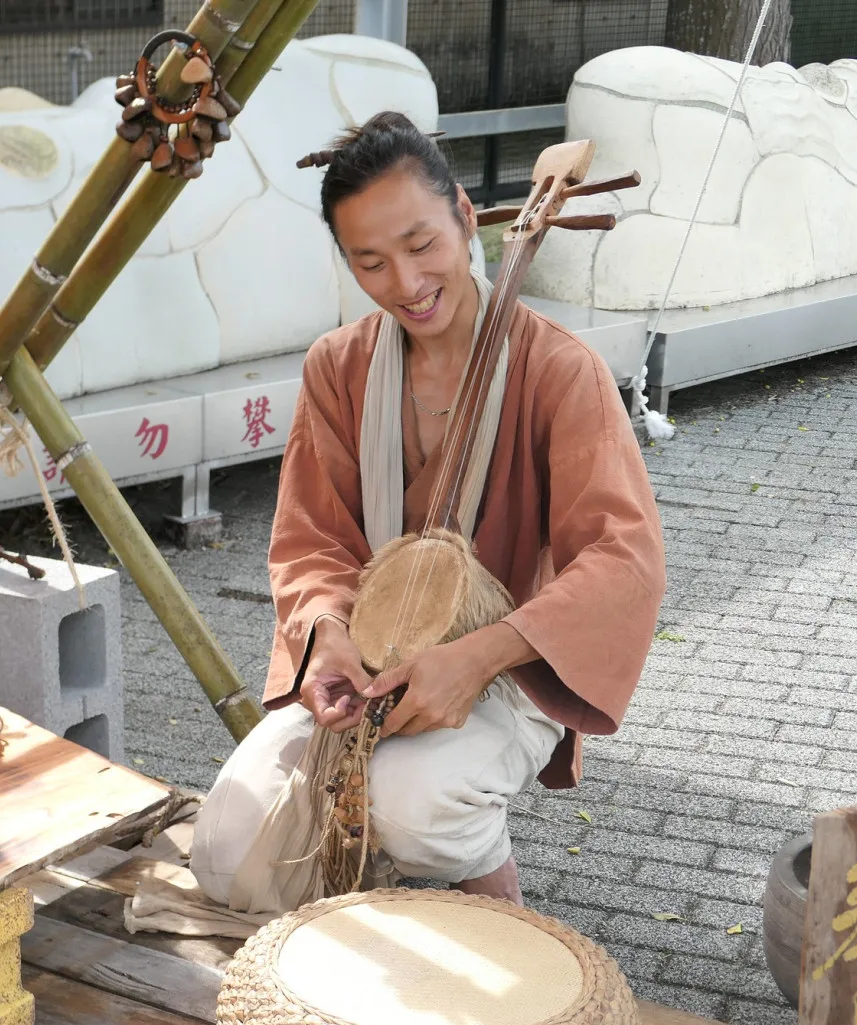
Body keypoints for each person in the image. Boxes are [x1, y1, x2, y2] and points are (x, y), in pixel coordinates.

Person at [190, 112, 666, 911]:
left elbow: (624, 561)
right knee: (226, 844)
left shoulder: (560, 370)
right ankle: (364, 945)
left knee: (413, 807)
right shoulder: (338, 368)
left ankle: (513, 937)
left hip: (512, 671)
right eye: (371, 262)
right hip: (370, 660)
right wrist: (327, 634)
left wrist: (477, 656)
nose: (405, 285)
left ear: (466, 216)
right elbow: (311, 542)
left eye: (422, 246)